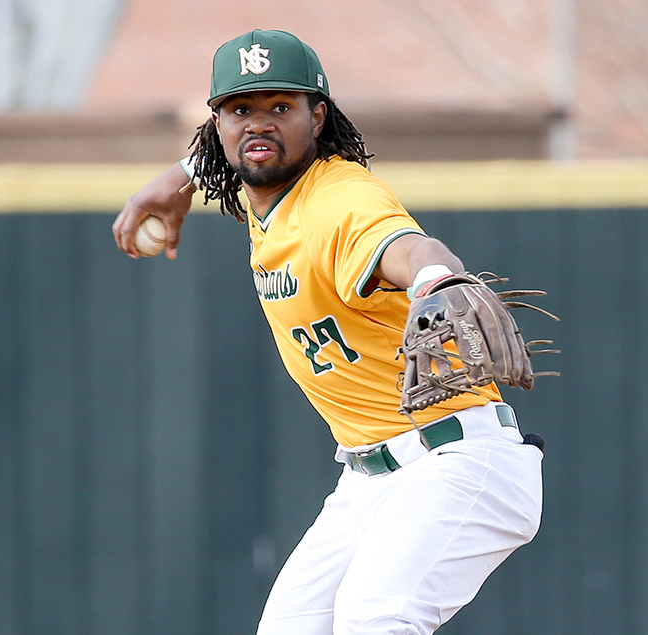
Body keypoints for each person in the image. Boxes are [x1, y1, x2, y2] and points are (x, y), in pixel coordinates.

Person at [113, 29, 544, 635]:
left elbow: (408, 247)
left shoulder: (339, 201)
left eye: (281, 108)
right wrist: (182, 177)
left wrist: (438, 280)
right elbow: (242, 149)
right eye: (240, 109)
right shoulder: (266, 189)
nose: (258, 125)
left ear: (317, 118)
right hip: (370, 480)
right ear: (216, 125)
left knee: (378, 619)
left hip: (457, 462)